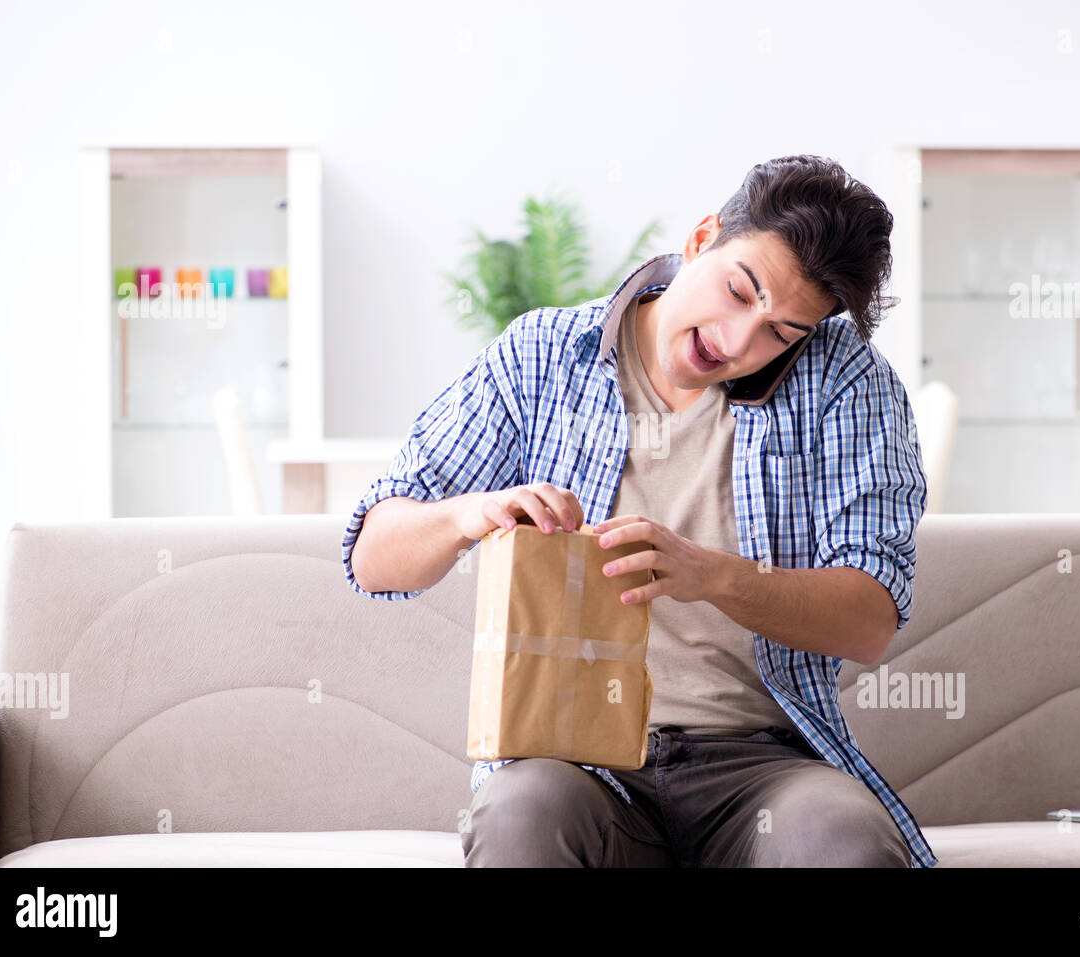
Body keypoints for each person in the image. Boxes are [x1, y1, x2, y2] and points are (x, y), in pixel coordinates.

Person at [342, 154, 935, 868]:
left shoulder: (846, 383)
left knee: (842, 837)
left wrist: (714, 576)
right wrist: (470, 514)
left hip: (761, 769)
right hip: (579, 761)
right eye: (740, 290)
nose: (740, 343)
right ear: (703, 236)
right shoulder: (544, 357)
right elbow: (373, 556)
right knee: (522, 811)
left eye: (783, 332)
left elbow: (870, 620)